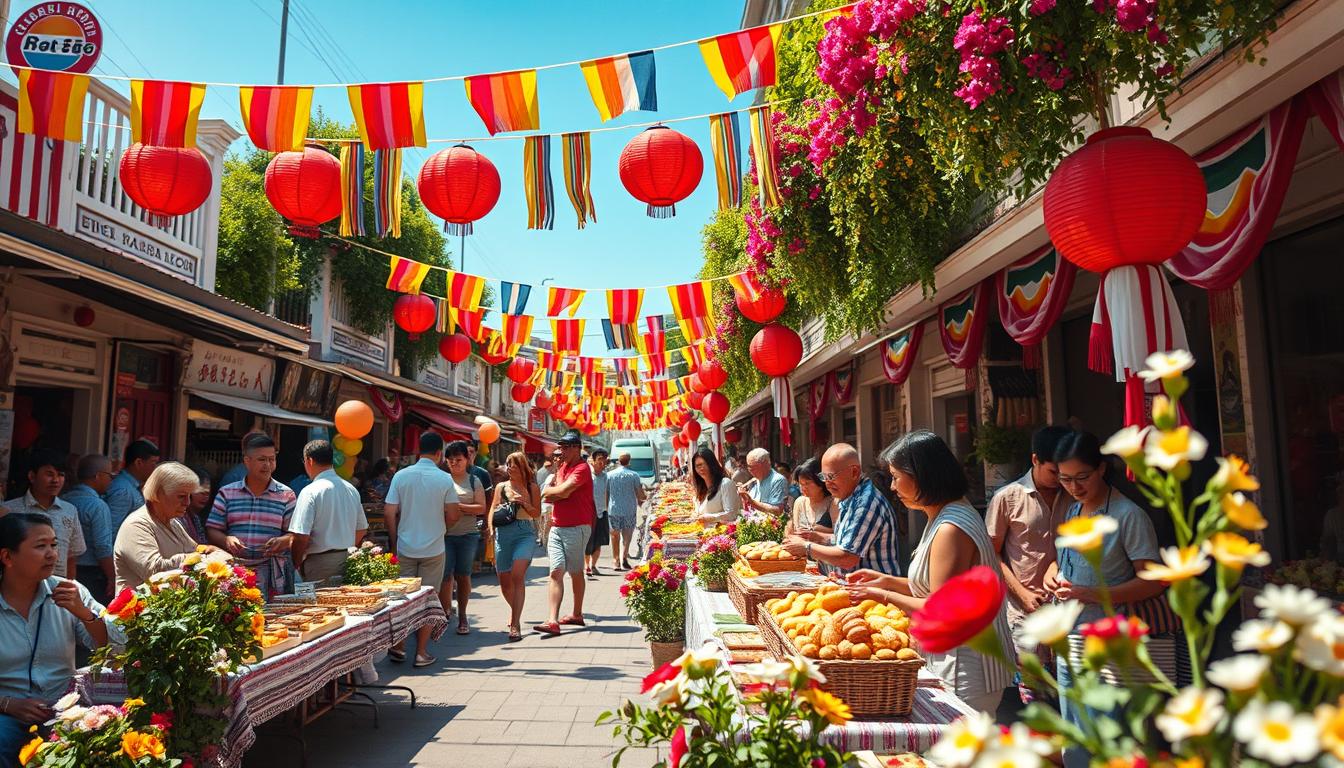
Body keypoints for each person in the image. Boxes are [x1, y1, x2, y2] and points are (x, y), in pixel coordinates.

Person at [843, 431, 1016, 711]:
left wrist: (881, 595)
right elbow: (934, 587)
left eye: (897, 477)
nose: (894, 487)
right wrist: (887, 581)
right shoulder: (942, 515)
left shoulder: (951, 527)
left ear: (921, 475)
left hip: (966, 665)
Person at [1043, 431, 1164, 765]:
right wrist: (1050, 572)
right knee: (1077, 739)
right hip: (1071, 642)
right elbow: (1062, 561)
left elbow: (1154, 580)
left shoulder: (1128, 516)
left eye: (1082, 477)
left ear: (1102, 469)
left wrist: (1093, 594)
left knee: (1109, 740)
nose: (1074, 487)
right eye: (1065, 479)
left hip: (1111, 646)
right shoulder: (1073, 512)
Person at [0, 513, 120, 765]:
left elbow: (109, 648)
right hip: (6, 714)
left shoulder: (70, 592)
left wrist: (84, 614)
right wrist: (8, 704)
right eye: (40, 546)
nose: (52, 554)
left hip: (65, 709)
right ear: (7, 557)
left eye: (54, 545)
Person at [986, 426, 1073, 667]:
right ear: (1035, 459)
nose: (1061, 480)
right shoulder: (1007, 498)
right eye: (1054, 472)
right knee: (1032, 691)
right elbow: (991, 553)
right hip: (1024, 613)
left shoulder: (1075, 495)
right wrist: (1022, 594)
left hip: (1070, 612)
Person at [383, 432, 461, 667]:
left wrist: (395, 538)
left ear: (419, 451)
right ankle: (421, 652)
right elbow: (454, 514)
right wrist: (441, 528)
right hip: (434, 548)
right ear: (439, 454)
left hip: (405, 546)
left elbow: (389, 512)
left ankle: (398, 645)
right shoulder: (445, 479)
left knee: (402, 598)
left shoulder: (401, 476)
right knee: (429, 599)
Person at [783, 444, 902, 576]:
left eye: (831, 476)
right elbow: (849, 541)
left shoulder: (865, 503)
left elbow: (847, 557)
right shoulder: (850, 497)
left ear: (854, 472)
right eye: (824, 477)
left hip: (873, 593)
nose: (827, 483)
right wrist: (820, 538)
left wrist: (806, 547)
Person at [206, 433, 297, 600]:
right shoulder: (227, 493)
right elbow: (212, 529)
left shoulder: (286, 495)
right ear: (247, 461)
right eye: (262, 460)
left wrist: (284, 541)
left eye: (271, 459)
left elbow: (294, 534)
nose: (268, 465)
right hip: (234, 572)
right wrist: (226, 540)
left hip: (271, 573)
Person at [114, 462, 217, 592]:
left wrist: (212, 553)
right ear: (158, 494)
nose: (187, 502)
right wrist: (198, 558)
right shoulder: (136, 525)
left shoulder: (173, 523)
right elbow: (154, 572)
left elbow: (196, 549)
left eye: (189, 496)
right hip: (139, 609)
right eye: (181, 496)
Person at [535, 430, 593, 636]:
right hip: (557, 526)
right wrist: (554, 493)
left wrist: (554, 493)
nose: (562, 451)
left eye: (567, 447)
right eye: (561, 447)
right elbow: (549, 494)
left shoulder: (582, 468)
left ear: (577, 448)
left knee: (576, 571)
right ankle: (552, 620)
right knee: (555, 571)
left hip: (577, 527)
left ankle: (577, 613)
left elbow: (560, 492)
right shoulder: (562, 468)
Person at [288, 440, 367, 584]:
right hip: (348, 560)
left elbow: (300, 537)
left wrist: (295, 563)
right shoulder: (350, 489)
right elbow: (361, 529)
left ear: (309, 461)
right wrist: (343, 545)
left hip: (320, 564)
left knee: (321, 606)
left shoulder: (310, 491)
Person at [3, 450, 84, 581]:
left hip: (57, 590)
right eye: (49, 474)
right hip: (19, 588)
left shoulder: (70, 511)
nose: (56, 480)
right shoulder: (9, 510)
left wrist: (69, 585)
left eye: (60, 475)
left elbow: (71, 557)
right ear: (32, 476)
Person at [487, 452, 540, 642]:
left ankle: (516, 624)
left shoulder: (531, 487)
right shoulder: (501, 487)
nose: (509, 468)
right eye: (508, 464)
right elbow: (493, 508)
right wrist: (491, 528)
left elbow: (536, 513)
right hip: (503, 534)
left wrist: (524, 502)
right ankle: (515, 611)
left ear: (522, 467)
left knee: (518, 575)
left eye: (514, 465)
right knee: (504, 581)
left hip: (524, 533)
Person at [442, 440, 486, 635]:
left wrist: (457, 506)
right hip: (445, 535)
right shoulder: (442, 480)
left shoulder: (473, 481)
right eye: (450, 460)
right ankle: (444, 614)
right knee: (445, 576)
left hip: (468, 535)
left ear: (467, 459)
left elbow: (481, 508)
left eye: (458, 460)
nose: (454, 463)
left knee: (463, 575)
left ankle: (463, 616)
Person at [63, 454, 116, 600]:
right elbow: (102, 548)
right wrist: (112, 578)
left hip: (64, 571)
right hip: (91, 575)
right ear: (98, 476)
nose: (111, 481)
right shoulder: (97, 506)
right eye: (110, 476)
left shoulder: (63, 499)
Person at [105, 439, 160, 533]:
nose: (156, 468)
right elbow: (111, 531)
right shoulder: (122, 490)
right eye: (153, 462)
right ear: (139, 462)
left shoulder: (133, 487)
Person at [607, 453, 646, 570]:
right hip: (629, 509)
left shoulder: (609, 475)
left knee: (614, 535)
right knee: (627, 536)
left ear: (618, 461)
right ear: (629, 461)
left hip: (614, 509)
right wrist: (645, 495)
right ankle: (624, 557)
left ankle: (616, 560)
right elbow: (640, 495)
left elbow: (606, 493)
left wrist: (605, 507)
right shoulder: (634, 475)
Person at [785, 458, 836, 537]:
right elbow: (795, 529)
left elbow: (839, 534)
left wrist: (816, 530)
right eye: (800, 484)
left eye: (807, 483)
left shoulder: (833, 503)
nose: (803, 488)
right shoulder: (800, 502)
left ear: (820, 483)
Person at [691, 448, 741, 525]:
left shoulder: (725, 483)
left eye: (704, 464)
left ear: (711, 464)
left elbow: (732, 514)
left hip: (722, 535)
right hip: (705, 534)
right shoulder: (702, 490)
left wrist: (711, 517)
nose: (701, 468)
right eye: (698, 466)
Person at [738, 448, 789, 516]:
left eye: (752, 467)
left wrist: (751, 501)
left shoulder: (778, 480)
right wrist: (744, 497)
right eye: (748, 467)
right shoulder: (753, 481)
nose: (750, 471)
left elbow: (777, 511)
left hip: (770, 524)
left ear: (764, 464)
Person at [584, 449, 611, 578]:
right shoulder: (588, 475)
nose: (602, 463)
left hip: (602, 512)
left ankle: (593, 565)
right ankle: (587, 566)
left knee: (599, 541)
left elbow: (607, 493)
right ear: (593, 461)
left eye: (604, 460)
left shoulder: (606, 476)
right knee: (588, 541)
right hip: (588, 513)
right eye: (599, 460)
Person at [181, 467, 213, 546]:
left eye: (207, 494)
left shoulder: (196, 518)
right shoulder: (177, 517)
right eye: (201, 493)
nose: (205, 497)